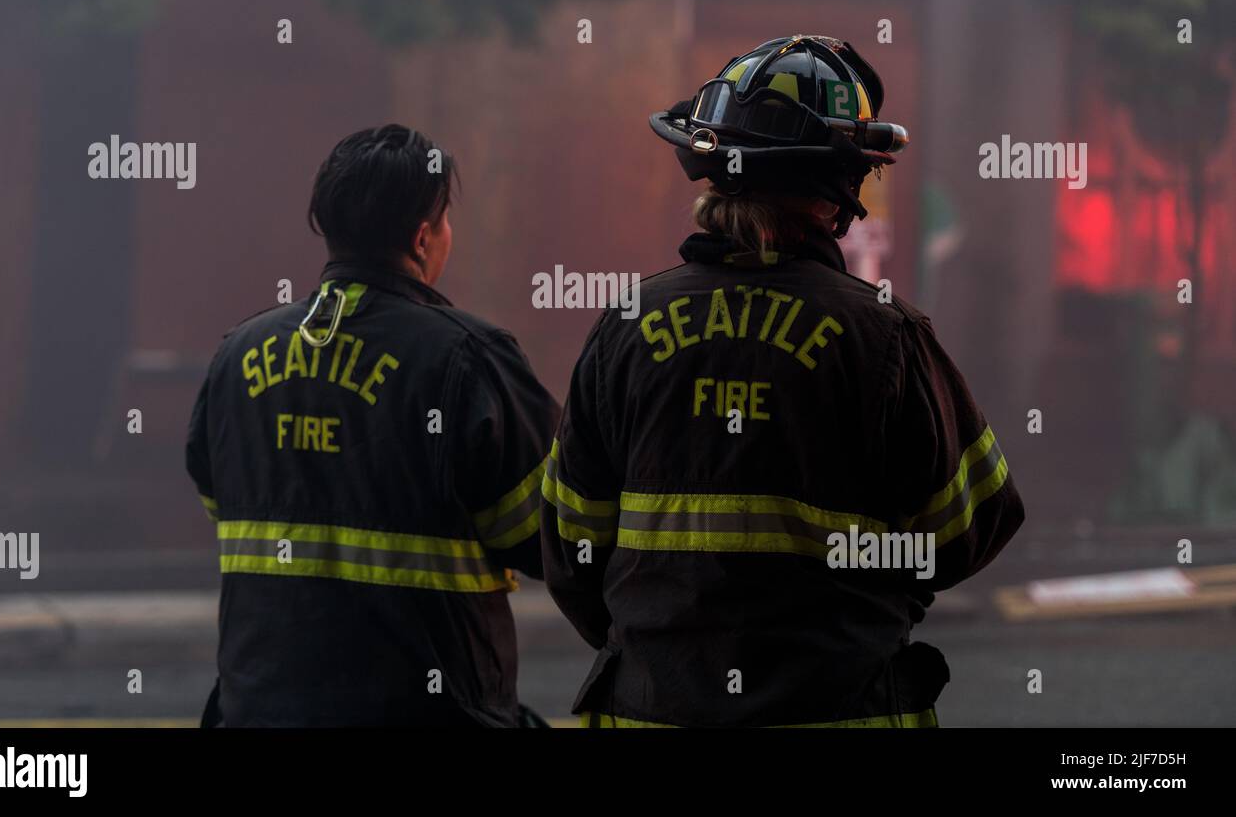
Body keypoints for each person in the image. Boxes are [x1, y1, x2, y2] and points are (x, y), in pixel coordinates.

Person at [541, 35, 1025, 727]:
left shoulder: (624, 327)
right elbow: (968, 527)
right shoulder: (886, 335)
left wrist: (663, 653)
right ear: (840, 191)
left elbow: (571, 542)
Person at [187, 124, 559, 726]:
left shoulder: (237, 354)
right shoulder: (467, 359)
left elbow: (222, 498)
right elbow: (549, 536)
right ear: (422, 237)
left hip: (254, 713)